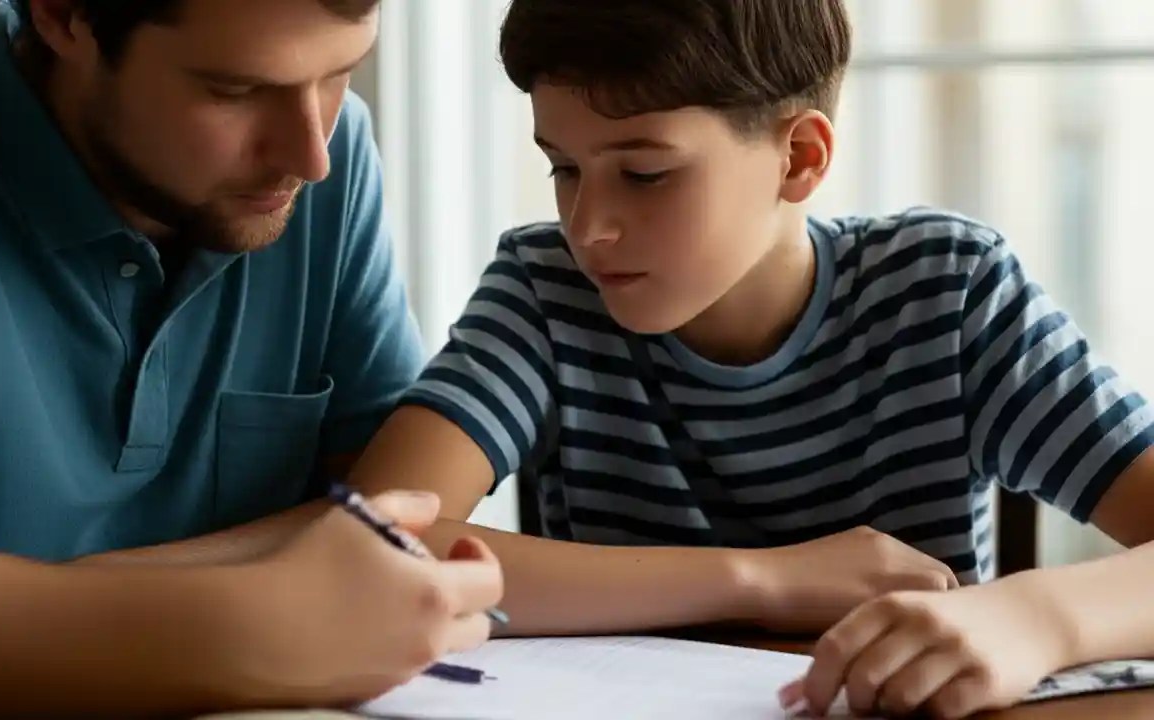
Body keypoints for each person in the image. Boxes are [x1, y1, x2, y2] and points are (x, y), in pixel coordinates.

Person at [331, 0, 1154, 717]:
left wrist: (1036, 619)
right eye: (564, 168)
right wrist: (761, 578)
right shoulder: (545, 294)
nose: (589, 228)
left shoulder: (946, 291)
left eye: (645, 174)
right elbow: (370, 543)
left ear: (799, 158)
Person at [0, 0, 502, 715]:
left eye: (341, 74)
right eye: (234, 92)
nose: (310, 155)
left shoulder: (324, 170)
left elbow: (384, 524)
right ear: (62, 15)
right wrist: (237, 632)